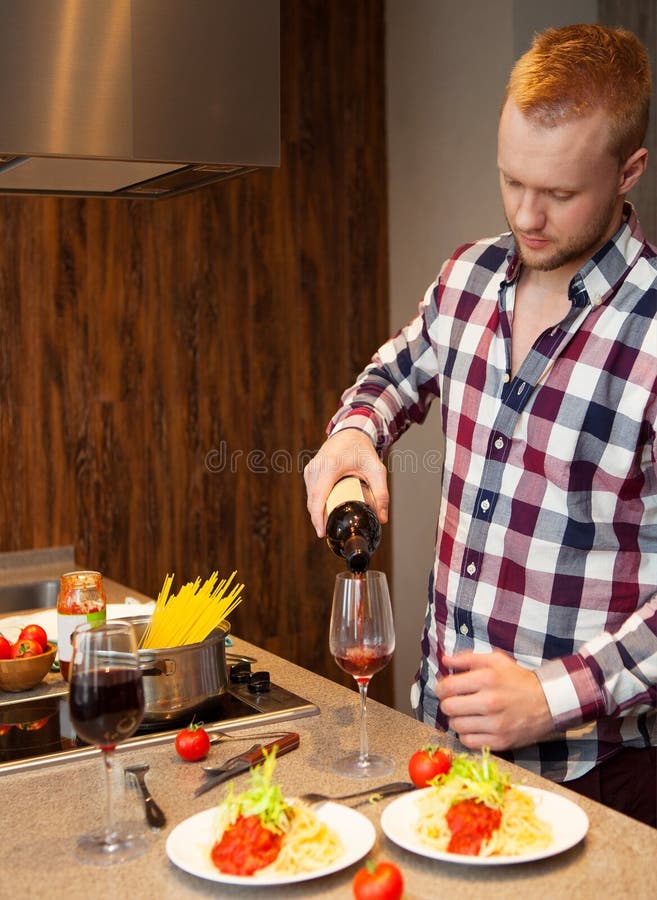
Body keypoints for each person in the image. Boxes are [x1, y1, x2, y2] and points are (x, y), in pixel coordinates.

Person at [304, 23, 657, 827]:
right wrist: (353, 433)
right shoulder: (466, 278)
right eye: (510, 181)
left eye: (560, 194)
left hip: (595, 778)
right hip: (445, 754)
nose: (526, 217)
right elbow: (393, 376)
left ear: (627, 171)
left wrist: (551, 695)